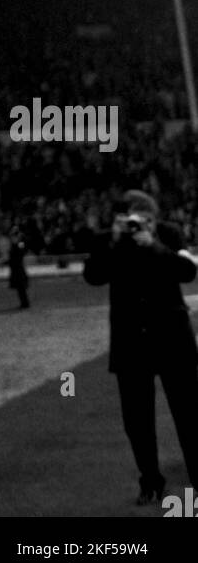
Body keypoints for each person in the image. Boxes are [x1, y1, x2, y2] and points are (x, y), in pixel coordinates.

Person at [84, 188, 198, 505]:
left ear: (153, 217)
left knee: (189, 414)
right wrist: (114, 241)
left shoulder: (168, 234)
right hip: (131, 343)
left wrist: (155, 246)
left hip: (173, 339)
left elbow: (188, 271)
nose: (136, 223)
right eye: (129, 217)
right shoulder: (108, 239)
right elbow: (93, 276)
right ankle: (150, 482)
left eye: (142, 217)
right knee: (137, 421)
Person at [7, 226, 30, 310]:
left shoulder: (20, 243)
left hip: (18, 268)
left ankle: (25, 303)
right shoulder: (17, 243)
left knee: (21, 287)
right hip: (16, 268)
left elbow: (20, 252)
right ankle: (24, 303)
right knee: (20, 288)